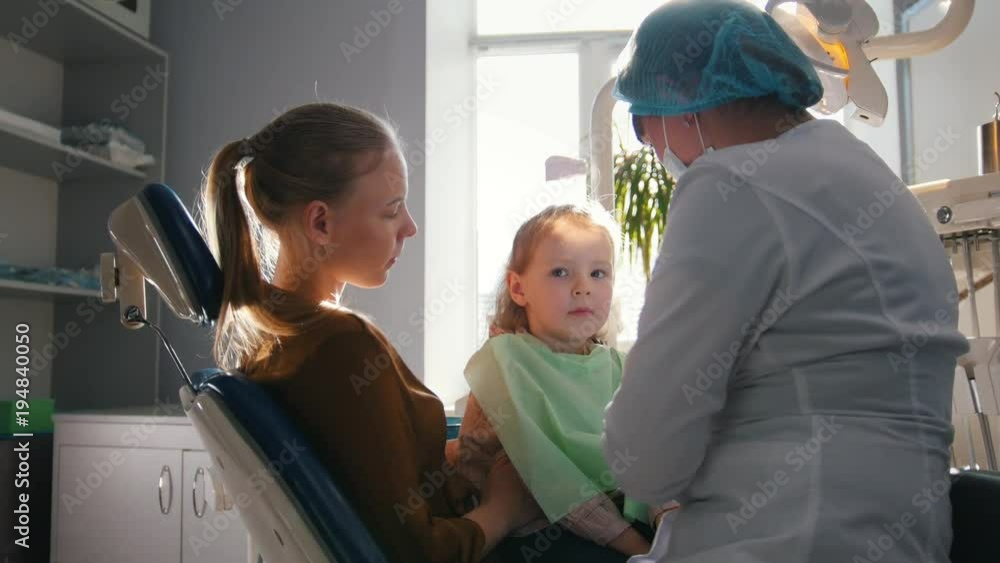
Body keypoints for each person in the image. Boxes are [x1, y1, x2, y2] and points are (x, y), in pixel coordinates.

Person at [602, 1, 969, 562]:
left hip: (782, 539)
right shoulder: (868, 174)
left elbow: (644, 462)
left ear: (681, 104)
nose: (652, 147)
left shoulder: (730, 185)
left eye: (642, 122)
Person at [198, 102, 543, 563]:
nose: (411, 227)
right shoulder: (343, 346)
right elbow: (412, 553)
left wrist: (462, 455)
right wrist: (504, 509)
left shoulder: (277, 338)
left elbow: (376, 474)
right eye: (392, 211)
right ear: (321, 222)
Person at [456, 205, 678, 561]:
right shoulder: (504, 360)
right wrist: (639, 550)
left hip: (618, 519)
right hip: (535, 529)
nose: (583, 288)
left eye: (598, 273)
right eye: (561, 272)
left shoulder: (619, 366)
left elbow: (649, 456)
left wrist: (668, 522)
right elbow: (551, 478)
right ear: (518, 287)